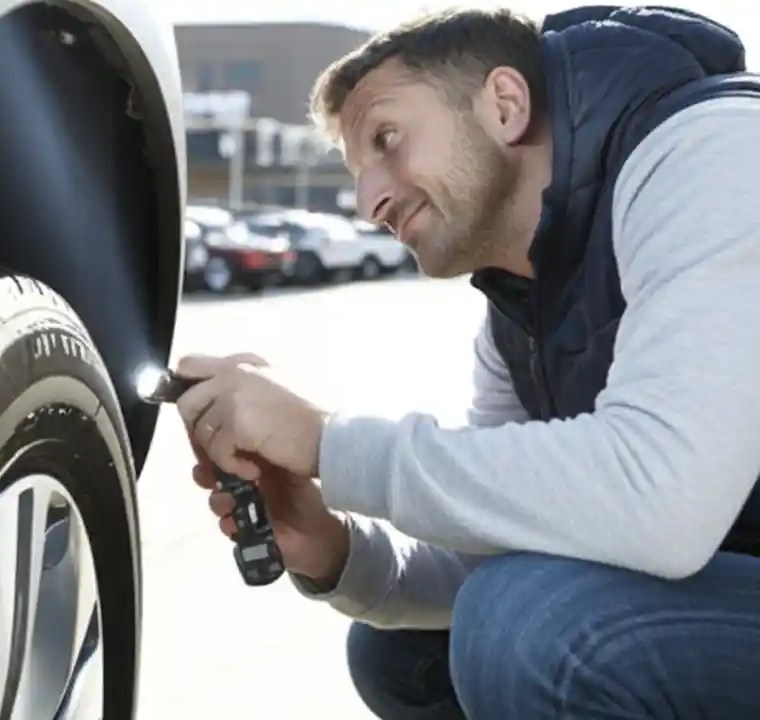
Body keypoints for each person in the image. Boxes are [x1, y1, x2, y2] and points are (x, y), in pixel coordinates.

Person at [174, 5, 760, 719]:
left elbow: (662, 497)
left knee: (524, 623)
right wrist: (334, 549)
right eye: (359, 174)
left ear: (506, 105)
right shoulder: (520, 306)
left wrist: (324, 441)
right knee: (401, 650)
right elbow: (498, 550)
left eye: (387, 140)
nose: (370, 201)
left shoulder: (712, 150)